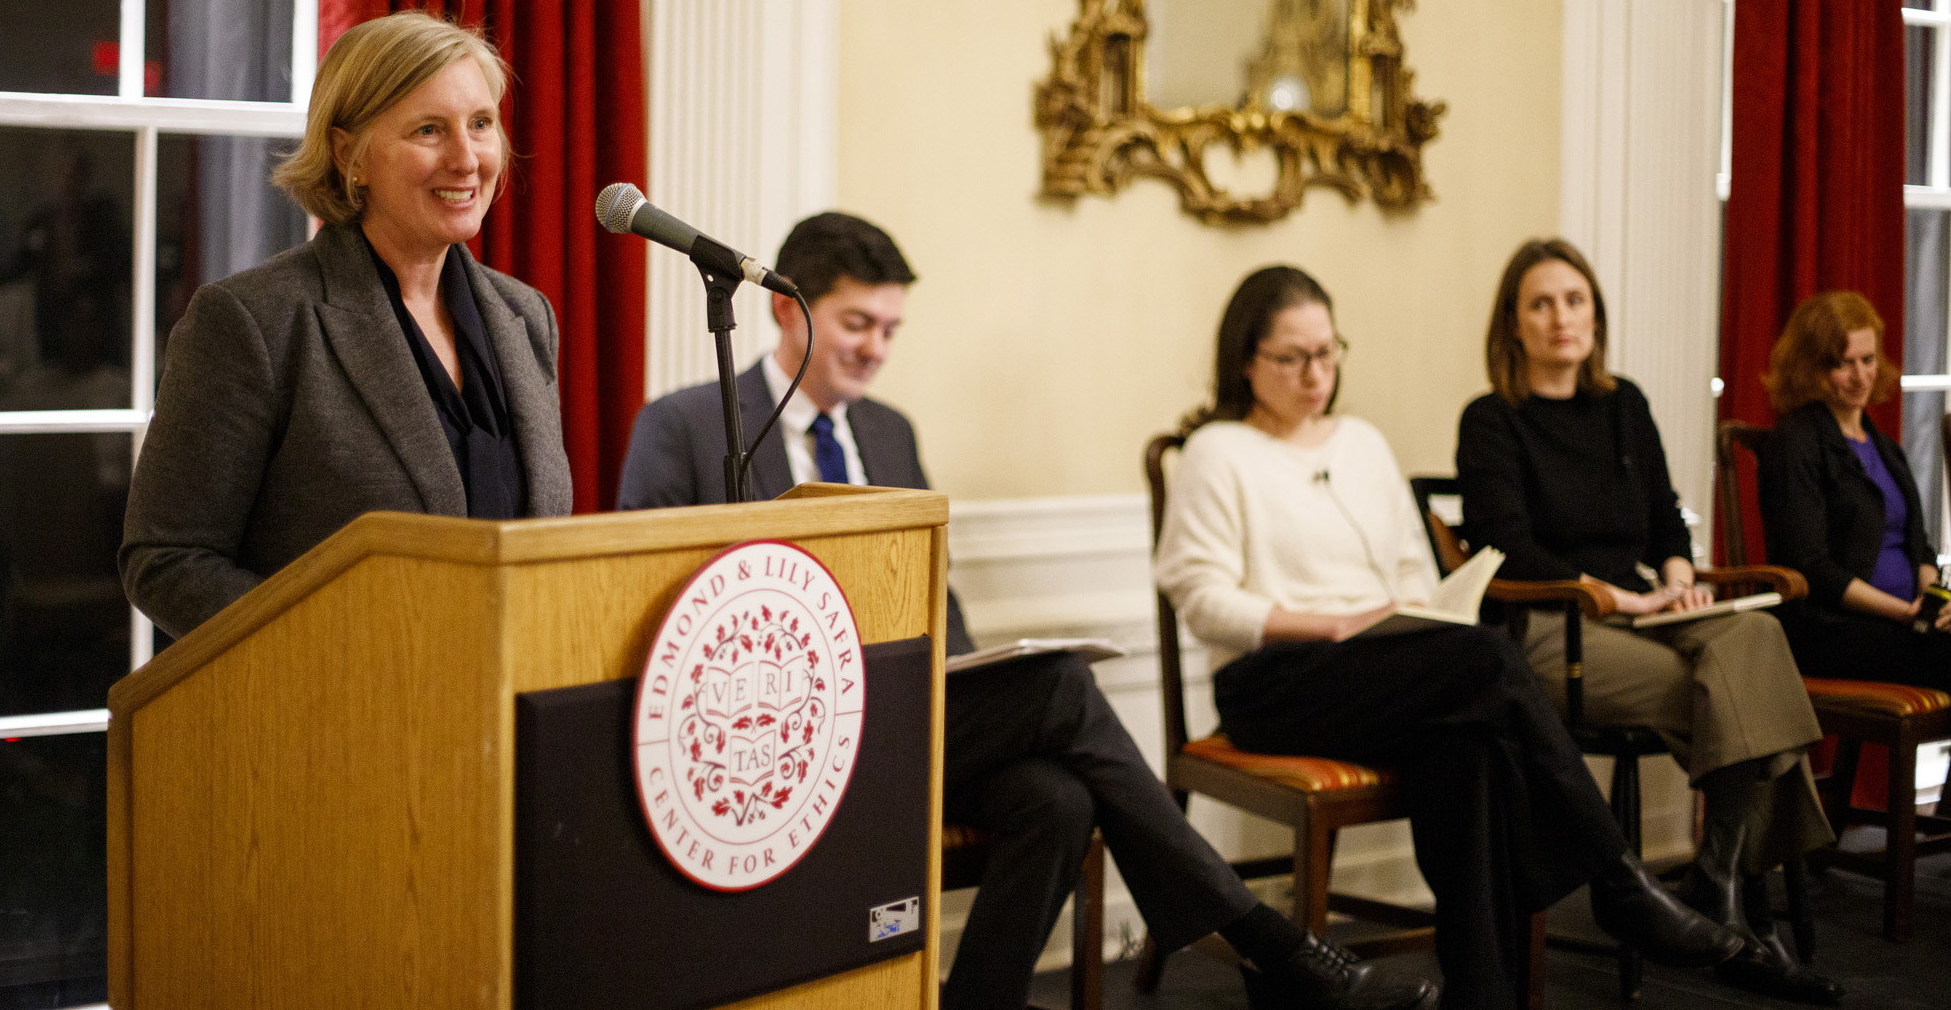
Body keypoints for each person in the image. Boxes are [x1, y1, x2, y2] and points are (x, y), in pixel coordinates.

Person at [619, 213, 1437, 1010]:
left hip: (903, 714)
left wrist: (973, 672)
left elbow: (935, 594)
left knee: (1058, 800)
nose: (875, 348)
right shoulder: (684, 425)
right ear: (783, 306)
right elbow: (642, 602)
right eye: (857, 323)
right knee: (1058, 694)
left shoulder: (889, 432)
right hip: (771, 732)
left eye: (891, 329)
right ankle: (1269, 944)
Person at [1157, 264, 1741, 1010]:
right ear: (1247, 360)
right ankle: (1618, 878)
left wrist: (1409, 615)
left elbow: (1410, 569)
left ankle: (1483, 993)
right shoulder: (1218, 451)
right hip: (1273, 681)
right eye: (1293, 357)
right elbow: (1203, 602)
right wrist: (1334, 622)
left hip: (1378, 667)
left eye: (1328, 352)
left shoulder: (1362, 443)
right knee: (1488, 658)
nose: (1316, 374)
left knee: (1466, 748)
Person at [1456, 238, 1840, 1005]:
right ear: (1513, 324)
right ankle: (1741, 918)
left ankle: (1715, 885)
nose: (1562, 318)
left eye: (1575, 300)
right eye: (1541, 303)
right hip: (1551, 630)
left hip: (1648, 608)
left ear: (1595, 313)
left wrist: (1673, 578)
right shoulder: (1493, 419)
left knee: (1757, 638)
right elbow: (1506, 547)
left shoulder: (1624, 403)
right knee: (1742, 693)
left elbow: (1665, 517)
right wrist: (1613, 594)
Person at [120, 12, 573, 639]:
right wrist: (340, 652)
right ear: (348, 154)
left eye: (481, 124)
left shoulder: (526, 318)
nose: (466, 158)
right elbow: (165, 561)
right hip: (333, 714)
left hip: (504, 718)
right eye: (428, 130)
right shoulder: (256, 323)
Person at [1754, 291, 1951, 685]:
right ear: (1810, 368)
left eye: (1868, 360)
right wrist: (1902, 612)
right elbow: (1812, 567)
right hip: (1830, 628)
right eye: (1844, 364)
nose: (1861, 376)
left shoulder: (1884, 448)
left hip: (1902, 622)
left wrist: (1933, 605)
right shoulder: (1794, 442)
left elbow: (1920, 546)